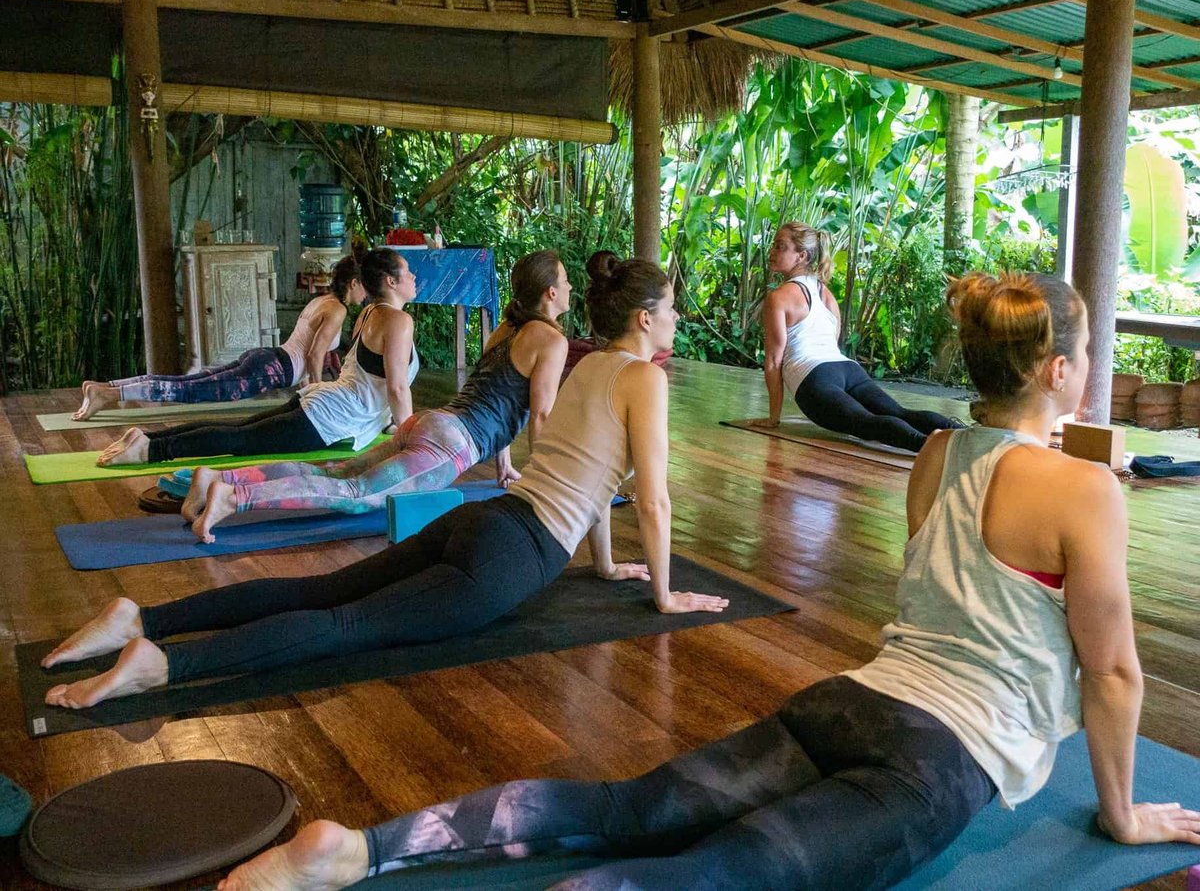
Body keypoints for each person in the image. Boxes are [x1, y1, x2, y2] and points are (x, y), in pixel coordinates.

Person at [214, 271, 1197, 891]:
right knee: (713, 876)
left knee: (627, 812)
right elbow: (1111, 676)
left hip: (853, 701)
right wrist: (1118, 812)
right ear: (1061, 372)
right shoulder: (1082, 488)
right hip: (938, 759)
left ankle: (359, 852)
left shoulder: (940, 452)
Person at [40, 256, 728, 711]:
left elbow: (584, 468)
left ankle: (144, 619)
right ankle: (164, 665)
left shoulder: (588, 368)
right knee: (348, 626)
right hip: (516, 553)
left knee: (325, 591)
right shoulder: (645, 378)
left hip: (481, 520)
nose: (674, 319)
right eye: (670, 309)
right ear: (646, 318)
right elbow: (652, 499)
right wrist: (664, 596)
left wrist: (606, 566)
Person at [183, 250, 572, 543]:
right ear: (551, 292)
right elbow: (538, 416)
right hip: (450, 444)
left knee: (335, 472)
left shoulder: (506, 329)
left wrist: (504, 466)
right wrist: (548, 486)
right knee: (356, 493)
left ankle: (219, 478)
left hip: (430, 423)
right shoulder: (552, 340)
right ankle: (234, 498)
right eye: (567, 281)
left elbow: (494, 391)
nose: (571, 288)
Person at [93, 248, 418, 466]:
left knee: (239, 430)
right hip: (330, 416)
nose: (414, 278)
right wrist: (409, 440)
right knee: (241, 439)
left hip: (325, 401)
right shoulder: (398, 320)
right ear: (391, 281)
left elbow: (372, 379)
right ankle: (150, 449)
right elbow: (397, 389)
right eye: (408, 273)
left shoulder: (371, 313)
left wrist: (388, 422)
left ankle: (147, 437)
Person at [73, 256, 366, 421]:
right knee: (187, 390)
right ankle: (109, 395)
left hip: (266, 359)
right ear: (353, 283)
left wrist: (307, 386)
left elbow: (310, 353)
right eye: (364, 287)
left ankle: (104, 388)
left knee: (186, 383)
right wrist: (315, 393)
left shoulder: (322, 301)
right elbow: (314, 356)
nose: (365, 294)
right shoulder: (337, 309)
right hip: (271, 369)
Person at [753, 222, 958, 452]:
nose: (772, 251)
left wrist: (773, 418)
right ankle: (966, 437)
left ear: (802, 256)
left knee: (866, 424)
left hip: (813, 379)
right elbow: (833, 340)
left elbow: (773, 361)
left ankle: (933, 449)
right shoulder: (826, 294)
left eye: (780, 246)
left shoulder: (778, 298)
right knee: (899, 413)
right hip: (847, 369)